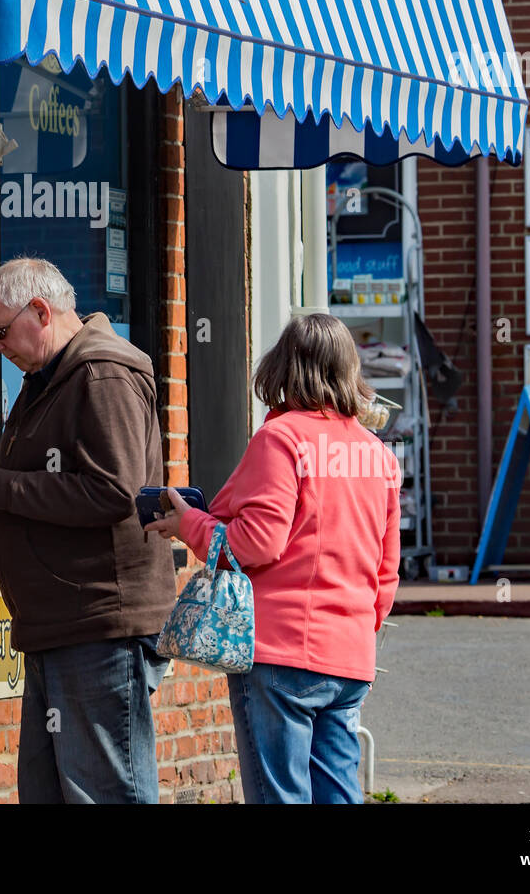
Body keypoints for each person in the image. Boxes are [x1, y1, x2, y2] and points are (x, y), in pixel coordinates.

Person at [0, 257, 175, 803]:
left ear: (41, 311)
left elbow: (113, 491)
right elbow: (57, 485)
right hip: (62, 625)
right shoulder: (49, 375)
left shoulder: (101, 374)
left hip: (98, 625)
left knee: (103, 793)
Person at [146, 311, 400, 804]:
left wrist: (188, 525)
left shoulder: (282, 439)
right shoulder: (377, 453)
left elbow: (259, 543)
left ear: (283, 369)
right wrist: (357, 629)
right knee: (339, 795)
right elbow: (387, 570)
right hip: (349, 657)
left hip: (282, 652)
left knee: (280, 795)